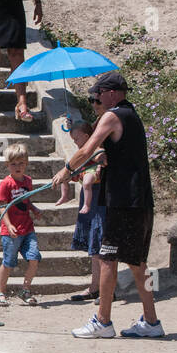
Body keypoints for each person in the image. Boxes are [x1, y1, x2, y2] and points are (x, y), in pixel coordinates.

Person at [53, 71, 164, 338]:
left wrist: (66, 169)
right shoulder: (131, 116)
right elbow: (106, 153)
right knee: (138, 262)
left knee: (107, 258)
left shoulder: (112, 116)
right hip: (139, 200)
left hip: (124, 202)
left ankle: (102, 322)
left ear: (112, 93)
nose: (95, 101)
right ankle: (151, 322)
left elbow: (87, 148)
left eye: (97, 96)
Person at [0, 143, 43, 307]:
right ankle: (1, 292)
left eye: (21, 163)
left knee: (34, 258)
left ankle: (25, 289)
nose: (17, 167)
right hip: (11, 231)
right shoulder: (6, 184)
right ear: (7, 165)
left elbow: (26, 200)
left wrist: (34, 209)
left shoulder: (28, 181)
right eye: (13, 164)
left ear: (26, 163)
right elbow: (2, 207)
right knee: (8, 262)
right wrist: (8, 225)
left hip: (27, 228)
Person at [64, 120, 107, 303]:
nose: (75, 143)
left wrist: (96, 166)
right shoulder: (84, 153)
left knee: (101, 245)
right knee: (94, 246)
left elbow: (101, 160)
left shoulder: (97, 150)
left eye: (77, 139)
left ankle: (104, 288)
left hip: (99, 202)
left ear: (87, 137)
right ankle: (96, 286)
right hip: (90, 201)